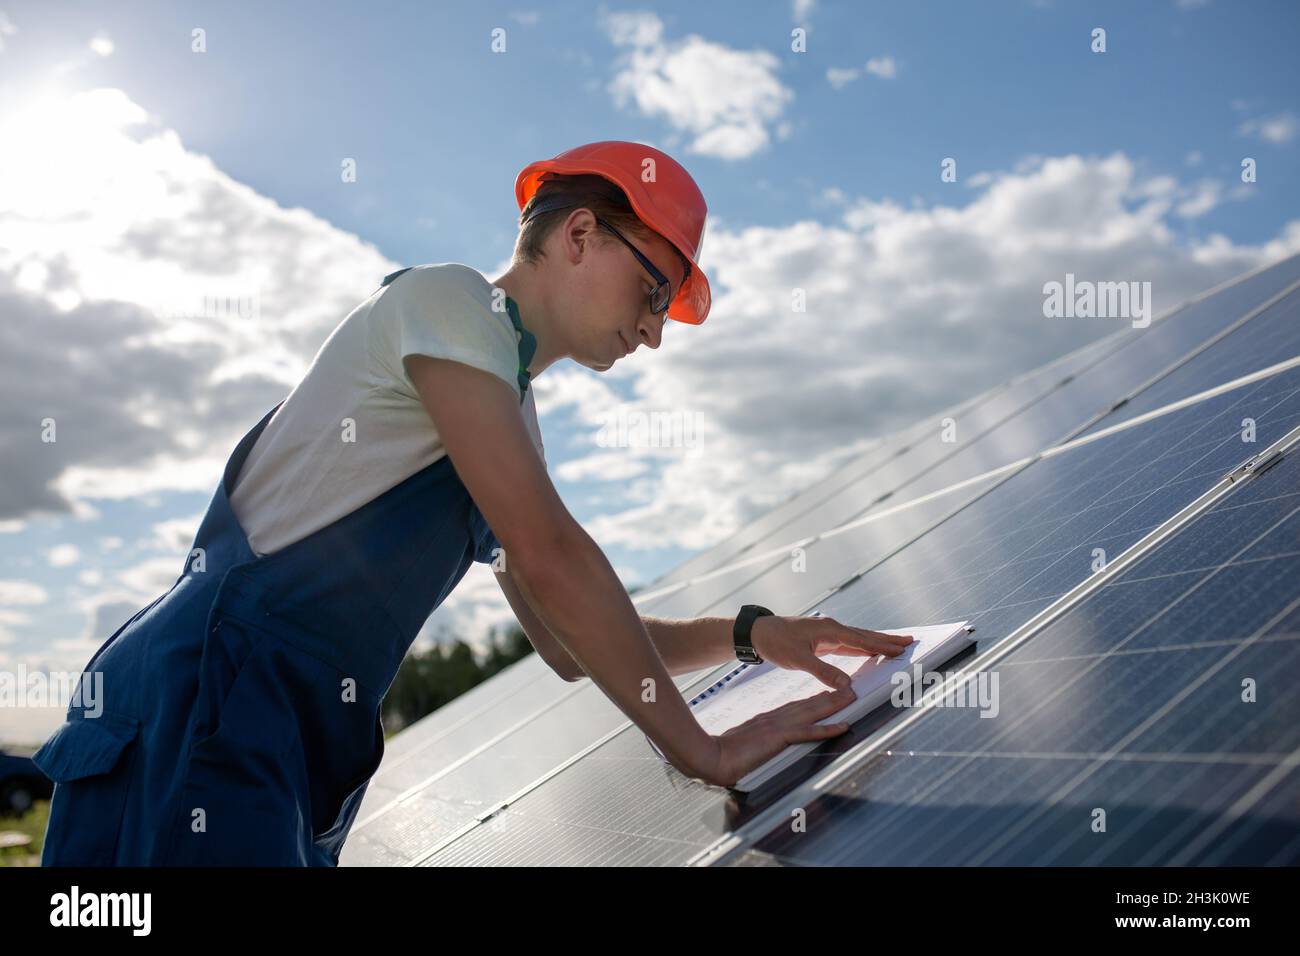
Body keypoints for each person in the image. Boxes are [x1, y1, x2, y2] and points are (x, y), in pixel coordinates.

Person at [32, 140, 913, 866]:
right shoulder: (451, 304)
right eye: (653, 291)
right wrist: (703, 750)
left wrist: (750, 635)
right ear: (579, 235)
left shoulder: (504, 416)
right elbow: (551, 554)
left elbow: (573, 645)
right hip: (205, 700)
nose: (652, 331)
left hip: (278, 730)